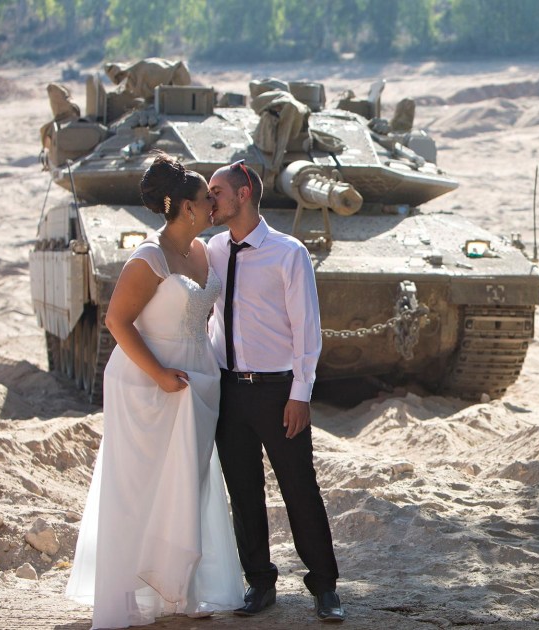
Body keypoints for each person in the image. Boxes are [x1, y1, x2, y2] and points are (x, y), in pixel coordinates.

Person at [65, 152, 244, 628]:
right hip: (146, 383)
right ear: (187, 207)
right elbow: (116, 322)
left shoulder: (204, 253)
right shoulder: (148, 257)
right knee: (140, 488)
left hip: (197, 381)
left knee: (190, 481)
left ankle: (179, 593)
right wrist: (161, 375)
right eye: (207, 198)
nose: (213, 205)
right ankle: (128, 597)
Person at [206, 159, 345, 622]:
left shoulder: (288, 252)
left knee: (299, 489)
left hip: (278, 391)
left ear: (243, 194)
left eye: (216, 192)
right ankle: (259, 583)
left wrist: (300, 394)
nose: (211, 201)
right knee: (243, 492)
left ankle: (325, 587)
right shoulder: (213, 250)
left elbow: (308, 328)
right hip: (228, 391)